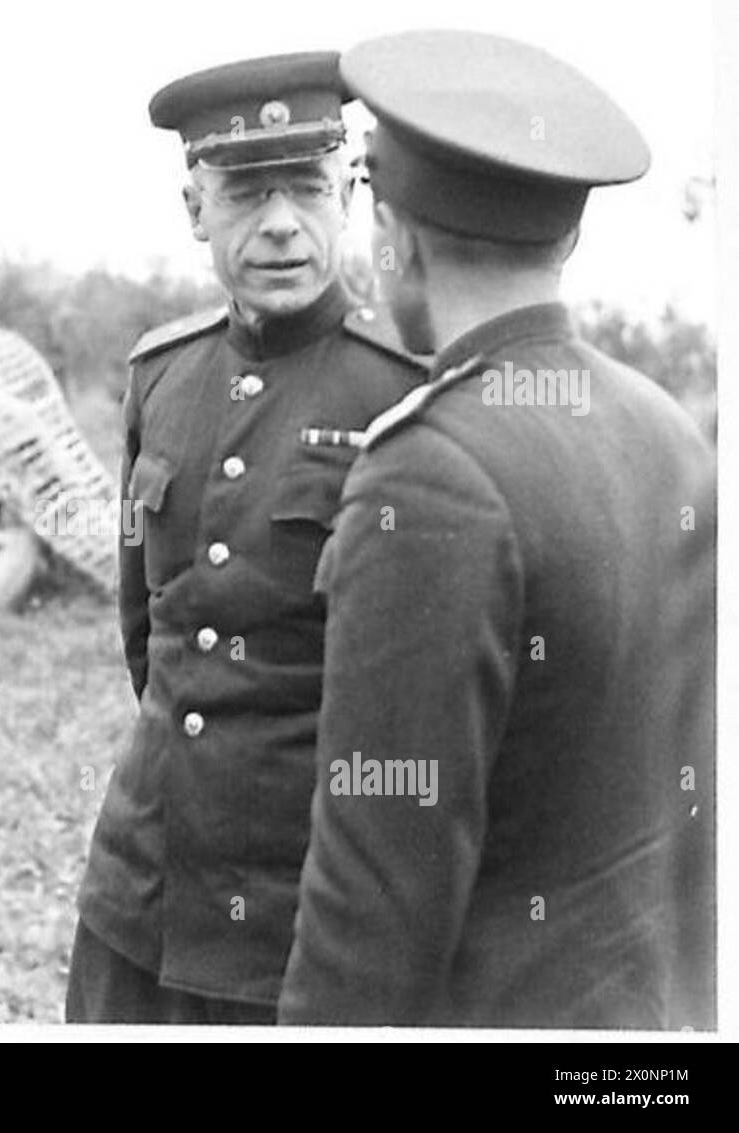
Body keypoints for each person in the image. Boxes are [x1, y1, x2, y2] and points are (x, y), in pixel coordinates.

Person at [277, 30, 715, 1029]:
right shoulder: (666, 429)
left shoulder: (431, 473)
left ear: (395, 235)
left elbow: (371, 908)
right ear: (566, 239)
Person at [67, 52, 428, 1023]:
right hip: (141, 892)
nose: (278, 223)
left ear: (346, 197)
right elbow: (147, 634)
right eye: (243, 193)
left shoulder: (408, 391)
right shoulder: (161, 376)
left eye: (305, 187)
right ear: (196, 208)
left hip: (303, 913)